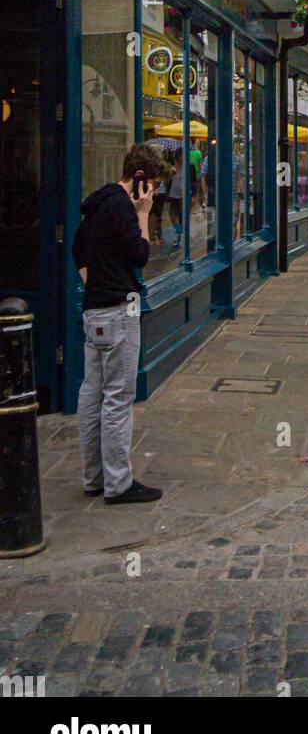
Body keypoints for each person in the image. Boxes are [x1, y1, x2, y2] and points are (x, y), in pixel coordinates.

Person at [71, 143, 165, 505]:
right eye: (153, 185)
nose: (154, 193)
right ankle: (119, 483)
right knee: (118, 398)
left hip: (95, 311)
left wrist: (92, 281)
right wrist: (143, 214)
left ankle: (93, 477)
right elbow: (140, 256)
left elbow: (77, 249)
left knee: (92, 393)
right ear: (140, 180)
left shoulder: (96, 205)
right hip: (119, 312)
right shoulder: (124, 208)